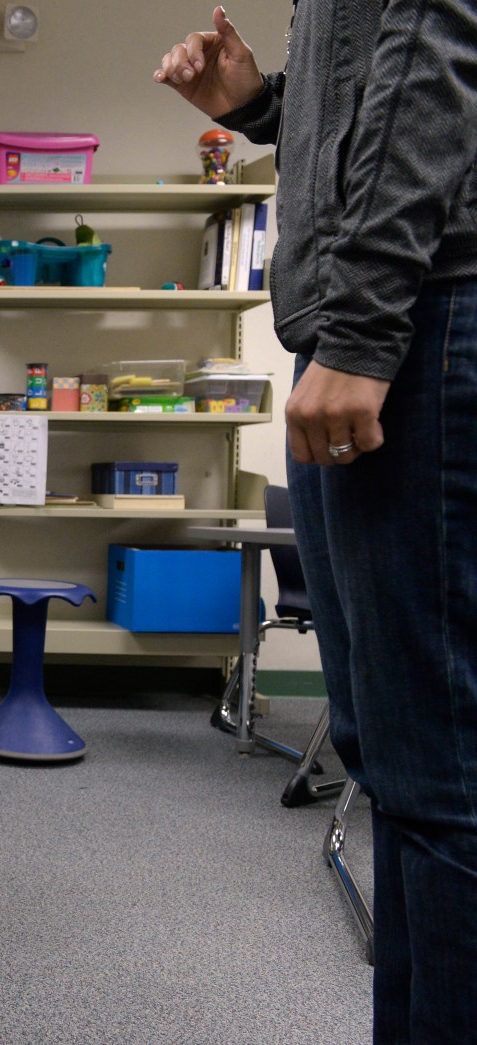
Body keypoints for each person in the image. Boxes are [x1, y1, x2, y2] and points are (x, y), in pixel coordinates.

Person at [156, 6, 477, 1041]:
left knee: (442, 775)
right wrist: (262, 107)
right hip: (376, 316)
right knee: (397, 768)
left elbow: (438, 56)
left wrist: (363, 323)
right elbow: (366, 100)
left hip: (420, 311)